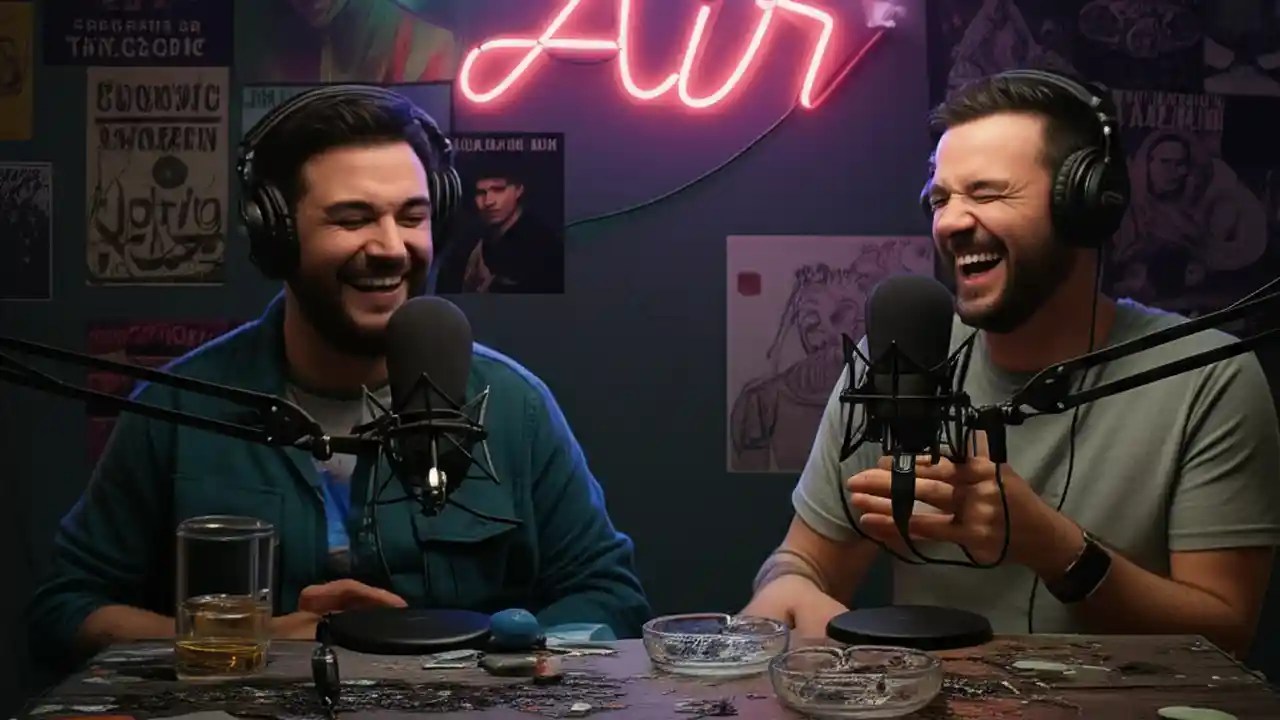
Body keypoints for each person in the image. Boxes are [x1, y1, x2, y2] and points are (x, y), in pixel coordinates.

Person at [26, 86, 650, 671]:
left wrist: (509, 660)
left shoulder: (514, 407)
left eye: (411, 216)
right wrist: (246, 637)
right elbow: (67, 610)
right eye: (352, 218)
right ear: (278, 235)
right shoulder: (181, 406)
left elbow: (606, 593)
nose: (390, 247)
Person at [742, 69, 1280, 659]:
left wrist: (1051, 546)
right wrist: (788, 585)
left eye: (987, 193)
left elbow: (1226, 637)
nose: (948, 222)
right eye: (941, 199)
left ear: (1082, 208)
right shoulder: (897, 362)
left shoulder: (1206, 378)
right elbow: (804, 561)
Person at [457, 166, 565, 294]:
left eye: (498, 189)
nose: (488, 201)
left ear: (518, 189)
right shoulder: (470, 243)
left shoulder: (544, 246)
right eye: (481, 193)